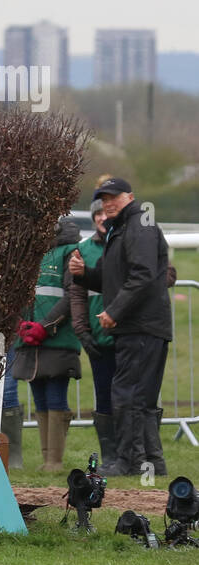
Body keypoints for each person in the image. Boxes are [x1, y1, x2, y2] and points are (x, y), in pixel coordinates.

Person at [69, 177, 172, 477]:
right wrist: (83, 274)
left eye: (113, 196)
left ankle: (130, 462)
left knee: (128, 394)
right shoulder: (121, 228)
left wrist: (114, 311)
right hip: (140, 326)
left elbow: (142, 275)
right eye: (103, 198)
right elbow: (109, 277)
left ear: (130, 196)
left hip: (140, 326)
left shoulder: (139, 225)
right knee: (139, 397)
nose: (107, 202)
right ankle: (153, 462)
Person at [12, 216, 83, 471]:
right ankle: (47, 461)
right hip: (30, 338)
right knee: (40, 397)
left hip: (58, 339)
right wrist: (21, 323)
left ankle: (54, 461)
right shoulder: (33, 253)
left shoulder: (70, 252)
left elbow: (72, 294)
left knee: (55, 397)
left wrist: (46, 326)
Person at [67, 199, 117, 467]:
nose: (101, 218)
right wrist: (82, 332)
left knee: (134, 397)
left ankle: (135, 454)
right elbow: (76, 294)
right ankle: (109, 457)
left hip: (130, 335)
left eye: (106, 213)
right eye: (97, 214)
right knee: (104, 396)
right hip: (98, 336)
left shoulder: (129, 243)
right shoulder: (83, 249)